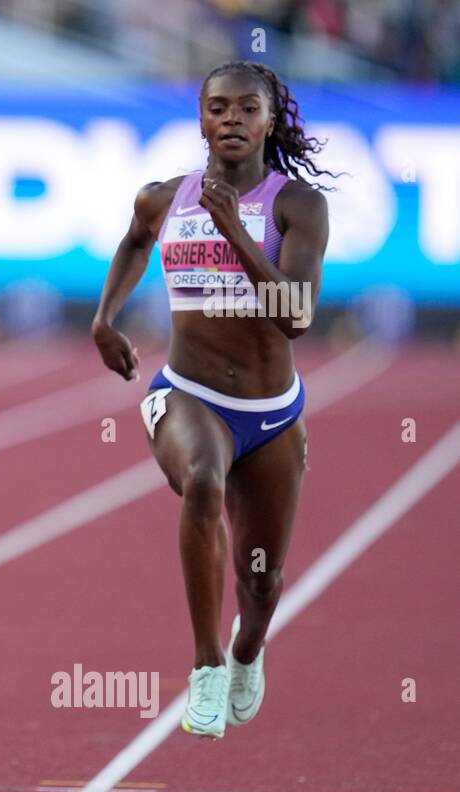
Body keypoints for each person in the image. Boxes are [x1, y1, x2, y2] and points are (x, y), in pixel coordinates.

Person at [91, 60, 331, 739]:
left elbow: (297, 316)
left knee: (262, 581)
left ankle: (245, 651)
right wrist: (105, 319)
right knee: (201, 484)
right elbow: (135, 243)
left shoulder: (298, 206)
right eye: (218, 107)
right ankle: (204, 666)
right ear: (201, 119)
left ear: (269, 120)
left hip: (273, 414)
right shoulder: (165, 197)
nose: (231, 119)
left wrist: (235, 231)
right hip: (189, 393)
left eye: (247, 108)